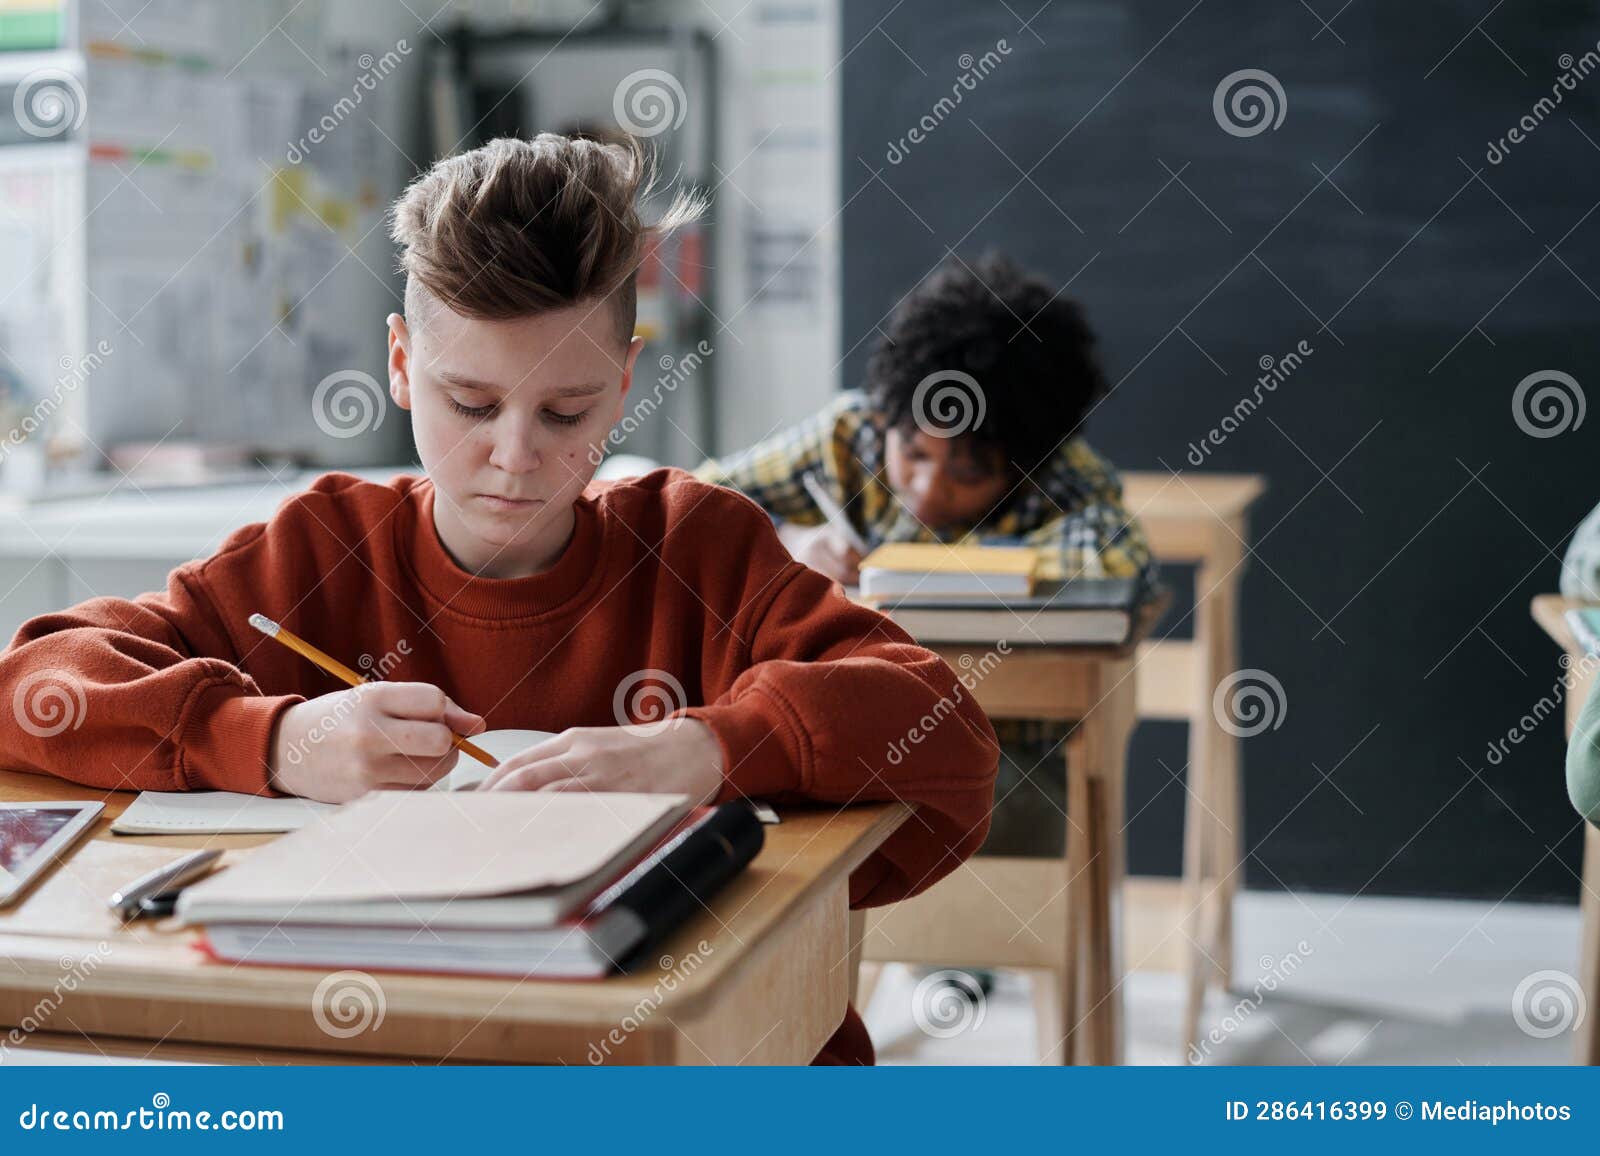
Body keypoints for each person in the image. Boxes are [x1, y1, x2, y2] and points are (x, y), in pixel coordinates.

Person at [0, 134, 999, 1065]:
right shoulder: (317, 550)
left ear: (624, 382)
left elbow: (946, 732)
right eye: (470, 404)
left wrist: (703, 749)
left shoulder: (699, 544)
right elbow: (31, 686)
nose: (515, 459)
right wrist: (270, 740)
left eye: (566, 411)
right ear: (400, 363)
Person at [697, 251, 1154, 860]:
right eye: (912, 453)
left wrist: (909, 567)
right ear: (888, 415)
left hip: (1005, 755)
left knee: (902, 810)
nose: (928, 489)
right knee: (773, 809)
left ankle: (958, 955)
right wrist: (789, 542)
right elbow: (696, 508)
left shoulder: (1062, 478)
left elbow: (1122, 563)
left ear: (1025, 465)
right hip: (851, 736)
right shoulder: (849, 436)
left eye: (968, 473)